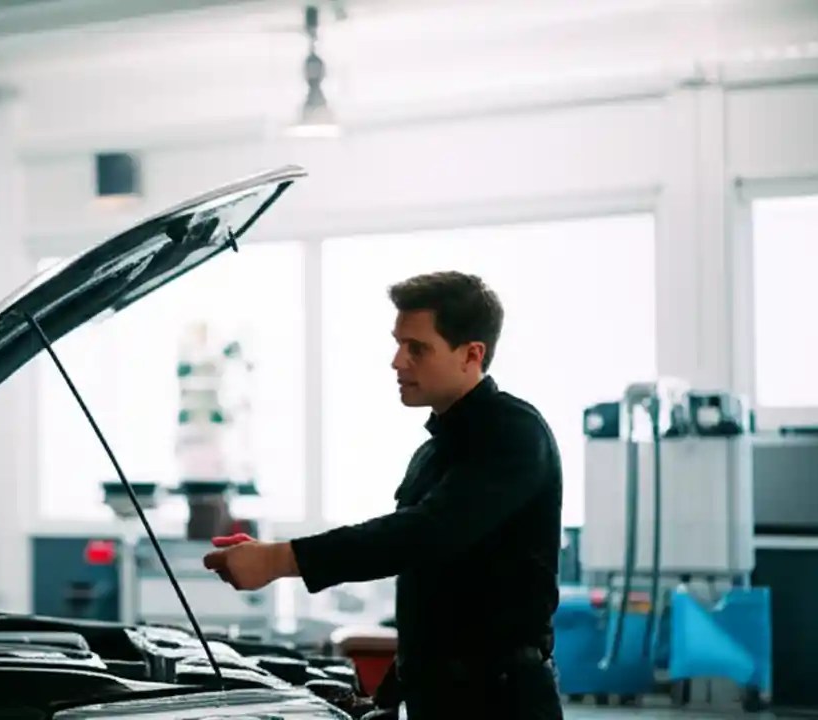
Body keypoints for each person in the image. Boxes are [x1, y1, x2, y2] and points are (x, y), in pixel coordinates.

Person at [203, 271, 564, 719]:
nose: (397, 361)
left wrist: (279, 559)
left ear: (472, 354)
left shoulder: (515, 435)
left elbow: (423, 534)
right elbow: (436, 593)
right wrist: (388, 697)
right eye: (398, 343)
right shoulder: (433, 453)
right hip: (440, 696)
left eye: (417, 348)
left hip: (502, 703)